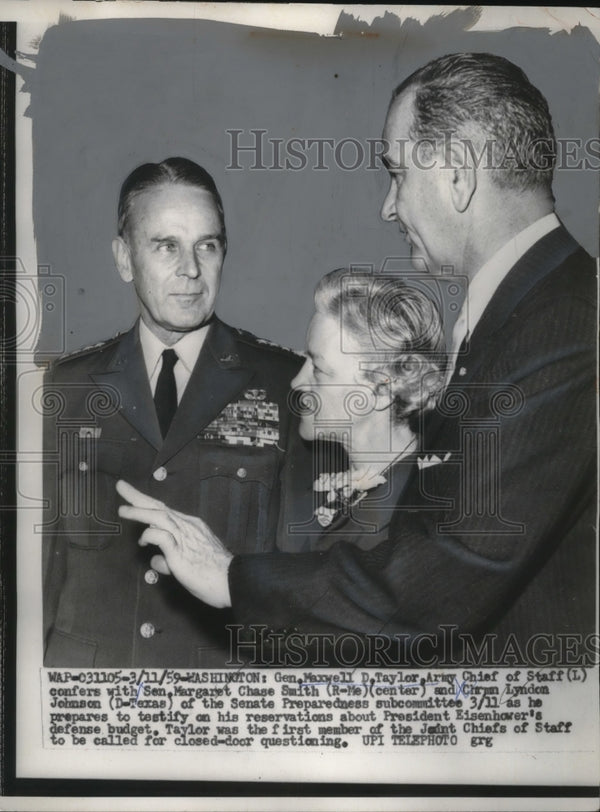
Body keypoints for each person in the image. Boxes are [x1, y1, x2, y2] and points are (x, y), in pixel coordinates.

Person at [118, 53, 597, 666]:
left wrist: (232, 576)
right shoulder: (530, 309)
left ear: (457, 174)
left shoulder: (563, 322)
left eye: (397, 174)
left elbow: (443, 579)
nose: (389, 207)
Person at [42, 157, 311, 668]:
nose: (190, 270)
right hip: (87, 697)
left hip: (218, 698)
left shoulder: (286, 384)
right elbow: (36, 579)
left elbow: (299, 582)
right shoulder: (66, 388)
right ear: (124, 259)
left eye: (206, 246)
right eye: (166, 246)